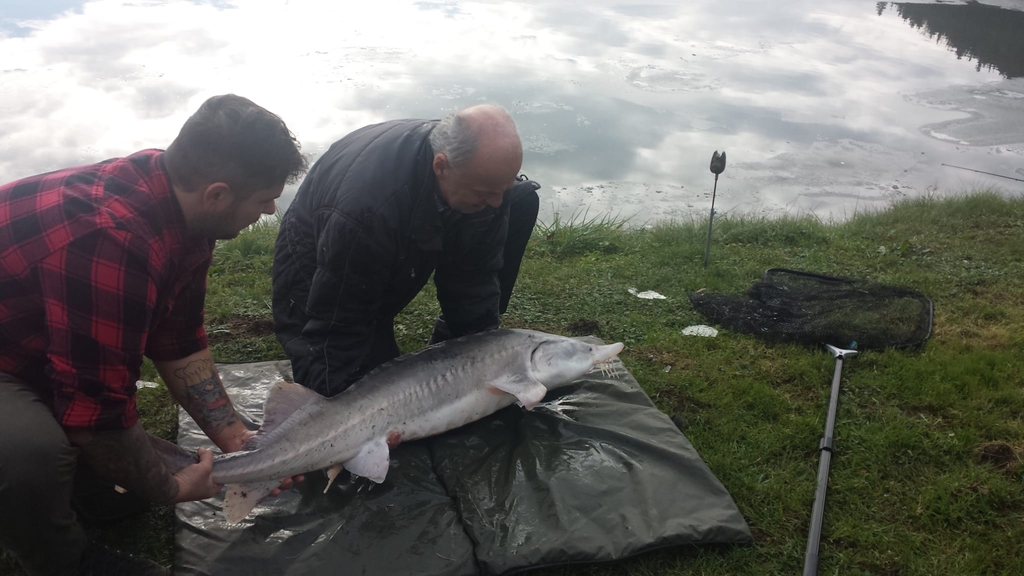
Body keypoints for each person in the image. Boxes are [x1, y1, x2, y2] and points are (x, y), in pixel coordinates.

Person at [0, 94, 307, 576]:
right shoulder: (111, 239)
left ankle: (81, 482)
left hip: (29, 336)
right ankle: (64, 561)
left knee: (119, 490)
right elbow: (96, 416)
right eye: (264, 198)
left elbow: (179, 337)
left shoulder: (183, 206)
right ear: (218, 194)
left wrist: (236, 439)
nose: (271, 209)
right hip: (9, 360)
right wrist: (171, 489)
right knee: (30, 455)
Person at [272, 104, 540, 396]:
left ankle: (452, 352)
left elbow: (474, 278)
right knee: (359, 382)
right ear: (441, 166)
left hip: (389, 216)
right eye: (486, 192)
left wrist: (480, 359)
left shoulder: (475, 172)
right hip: (321, 244)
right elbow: (338, 323)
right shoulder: (368, 212)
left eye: (500, 189)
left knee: (519, 203)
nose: (497, 203)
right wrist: (340, 403)